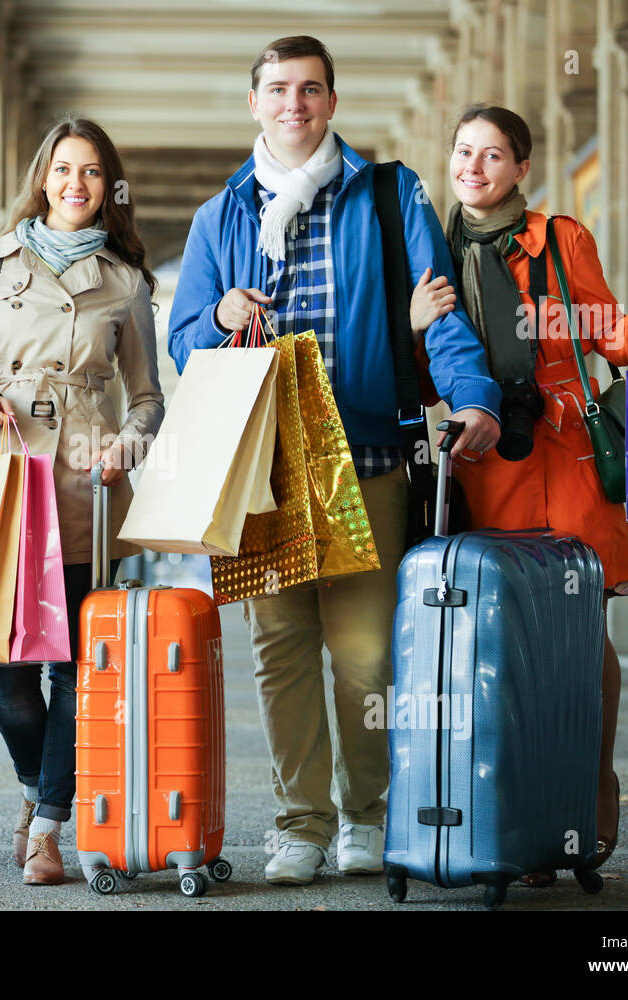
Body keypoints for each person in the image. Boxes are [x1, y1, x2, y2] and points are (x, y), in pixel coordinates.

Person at [168, 36, 501, 885]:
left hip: (371, 454)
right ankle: (300, 825)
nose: (294, 104)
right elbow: (181, 341)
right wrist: (216, 318)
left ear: (331, 101)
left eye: (310, 89)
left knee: (364, 655)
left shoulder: (389, 196)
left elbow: (441, 316)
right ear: (255, 103)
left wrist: (474, 399)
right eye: (277, 89)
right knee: (279, 650)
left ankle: (365, 814)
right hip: (263, 467)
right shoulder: (221, 216)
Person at [409, 103, 628, 883]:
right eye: (463, 152)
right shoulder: (430, 251)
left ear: (521, 167)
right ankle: (524, 809)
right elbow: (416, 367)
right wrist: (410, 320)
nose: (474, 167)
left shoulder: (562, 240)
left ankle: (589, 784)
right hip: (485, 461)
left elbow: (613, 335)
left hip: (566, 455)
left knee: (577, 628)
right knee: (503, 644)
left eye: (493, 154)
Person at [0, 117, 164, 886]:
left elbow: (147, 400)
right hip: (7, 479)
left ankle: (47, 826)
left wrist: (124, 448)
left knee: (78, 667)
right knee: (8, 672)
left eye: (93, 173)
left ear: (110, 187)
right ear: (43, 176)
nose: (77, 184)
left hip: (85, 486)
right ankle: (37, 788)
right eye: (64, 169)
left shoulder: (127, 281)